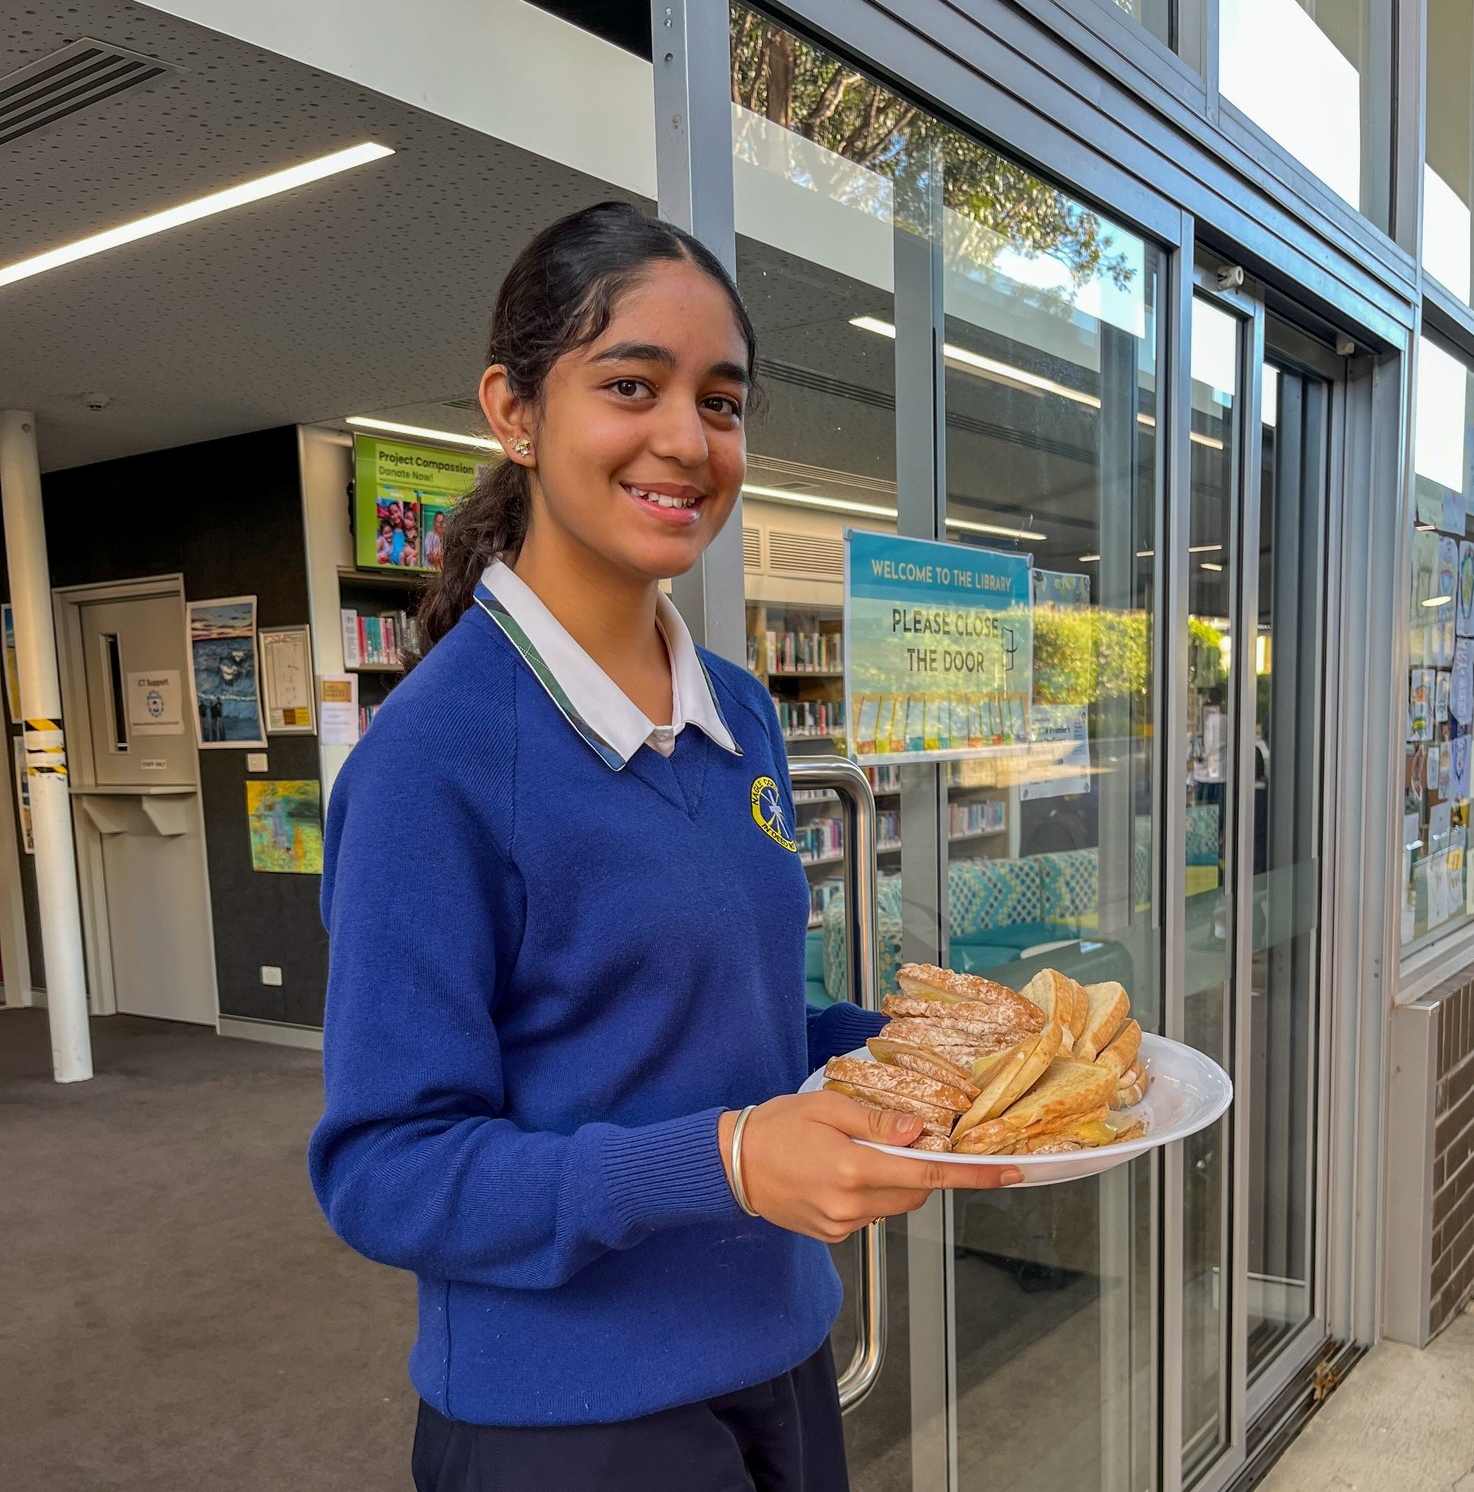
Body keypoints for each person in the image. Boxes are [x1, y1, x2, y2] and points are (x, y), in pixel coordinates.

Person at [308, 201, 1020, 1492]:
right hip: (569, 1420)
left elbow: (730, 1037)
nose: (688, 441)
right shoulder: (431, 761)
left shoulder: (740, 710)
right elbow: (386, 1171)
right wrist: (734, 1160)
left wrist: (945, 1061)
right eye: (631, 384)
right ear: (514, 412)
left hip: (784, 1357)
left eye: (724, 402)